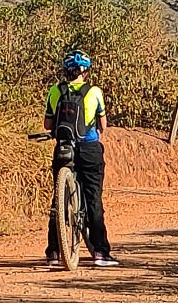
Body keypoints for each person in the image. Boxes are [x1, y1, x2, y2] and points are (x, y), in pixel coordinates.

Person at [43, 49, 119, 267]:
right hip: (88, 148)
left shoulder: (55, 90)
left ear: (66, 70)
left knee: (58, 198)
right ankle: (101, 254)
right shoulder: (94, 92)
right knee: (93, 198)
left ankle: (54, 253)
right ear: (85, 71)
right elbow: (103, 125)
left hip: (63, 147)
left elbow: (48, 125)